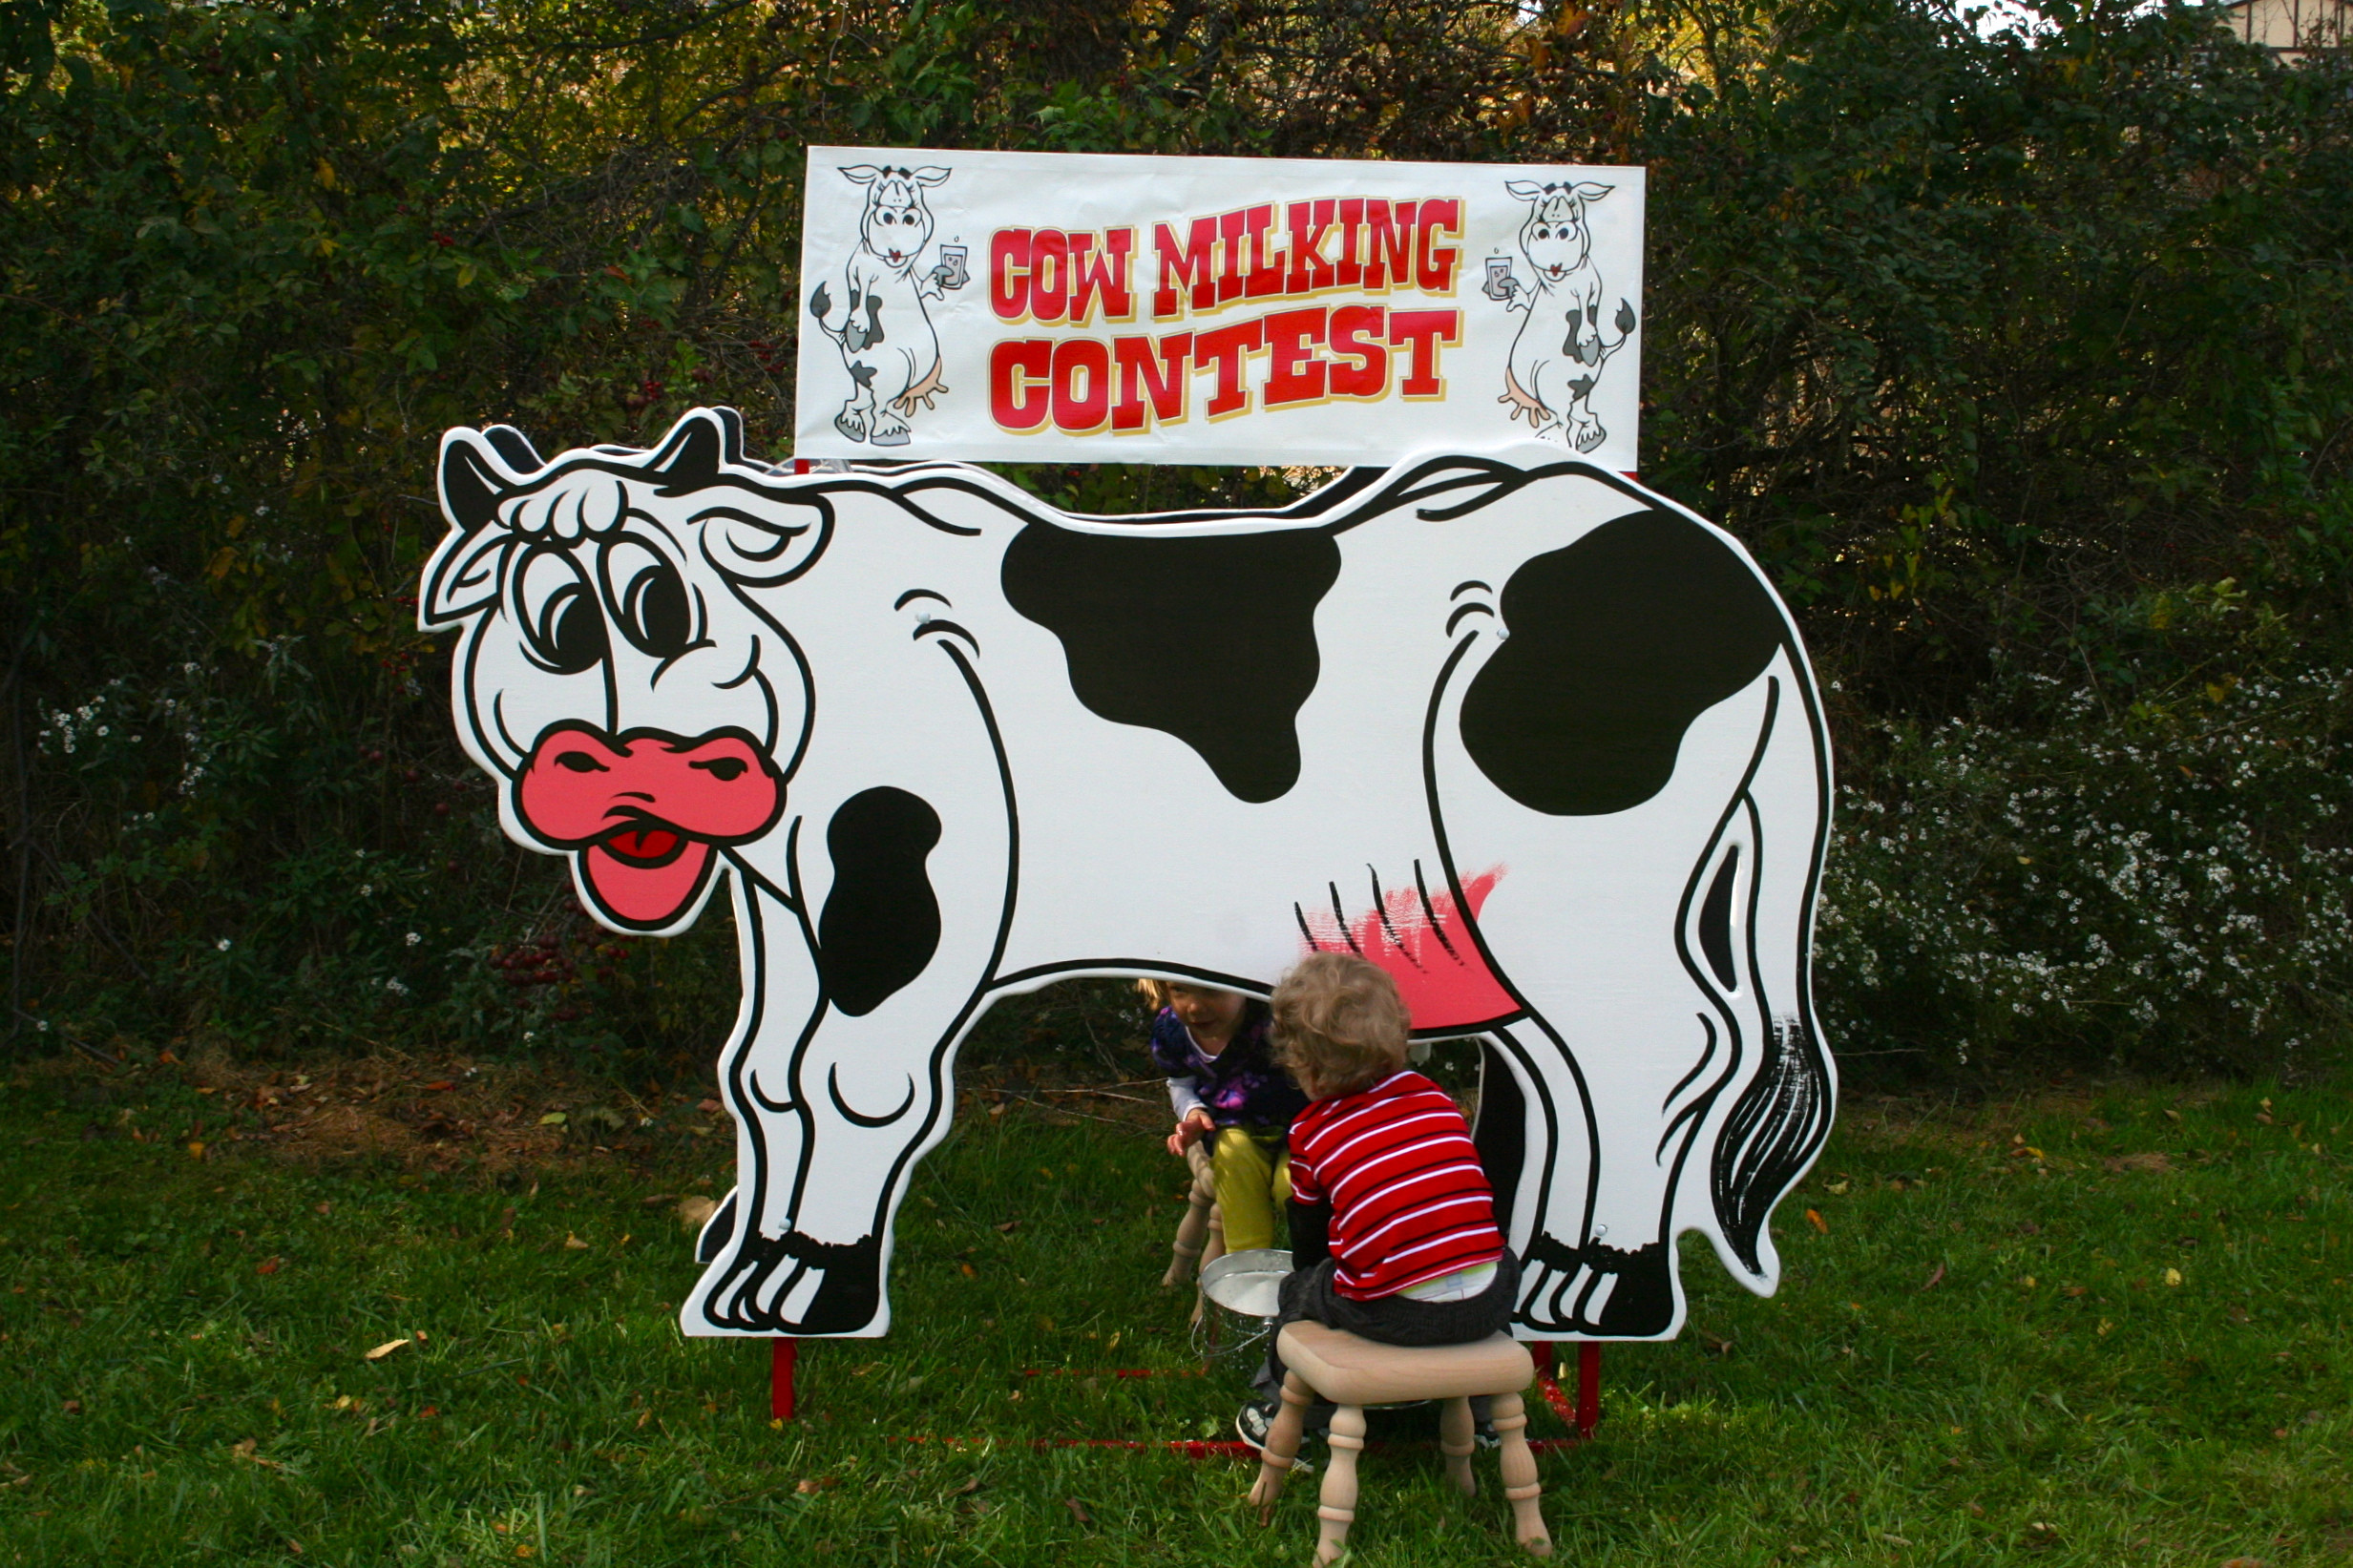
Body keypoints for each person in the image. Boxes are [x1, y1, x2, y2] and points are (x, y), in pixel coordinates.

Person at [1236, 951, 1518, 1450]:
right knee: (1482, 1252)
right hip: (1491, 1301)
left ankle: (1288, 1409)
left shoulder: (1312, 1130)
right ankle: (1485, 1415)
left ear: (1305, 1067)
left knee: (1302, 1292)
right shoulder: (1434, 1097)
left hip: (1395, 1315)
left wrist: (1313, 1279)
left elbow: (1310, 1230)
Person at [1142, 978, 1309, 1255]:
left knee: (1290, 1188)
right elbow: (1181, 1083)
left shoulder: (1277, 1024)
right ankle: (1246, 1262)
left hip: (1300, 1124)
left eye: (1212, 989)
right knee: (1234, 1155)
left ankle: (1317, 1267)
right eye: (1179, 990)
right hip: (1232, 1124)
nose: (1194, 1007)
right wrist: (1193, 1112)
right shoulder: (1171, 1030)